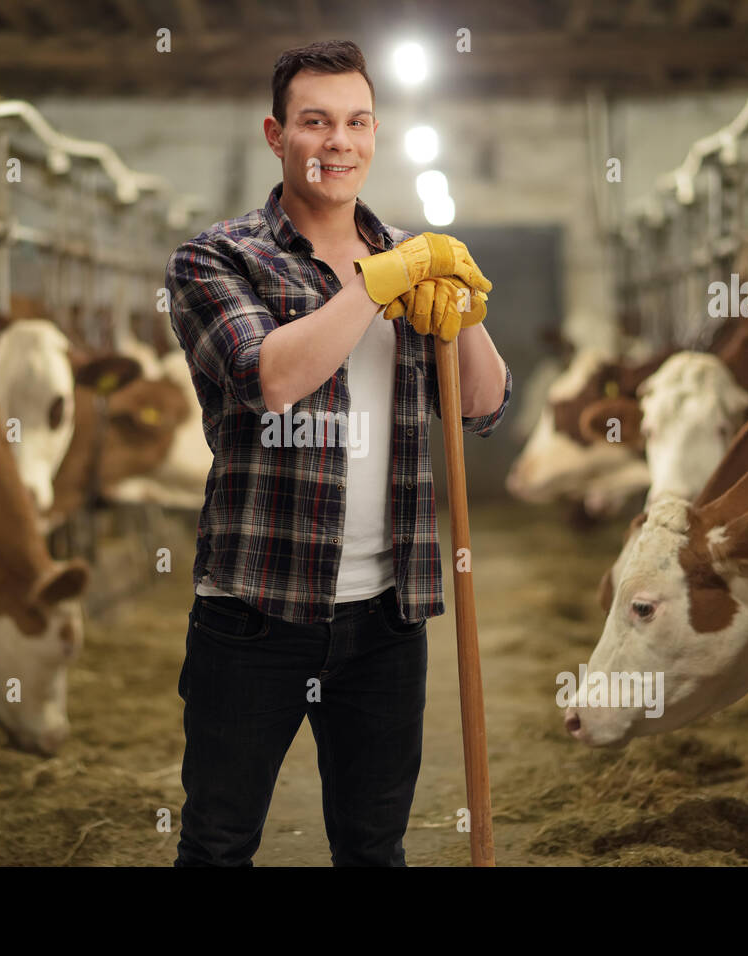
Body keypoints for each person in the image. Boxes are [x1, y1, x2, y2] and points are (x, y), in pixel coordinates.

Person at [165, 39, 512, 867]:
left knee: (373, 846)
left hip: (388, 613)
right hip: (255, 608)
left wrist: (463, 308)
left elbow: (484, 406)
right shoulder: (217, 258)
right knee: (218, 843)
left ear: (375, 133)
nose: (337, 142)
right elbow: (269, 378)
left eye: (356, 122)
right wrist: (374, 283)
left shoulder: (410, 257)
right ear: (275, 134)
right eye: (314, 122)